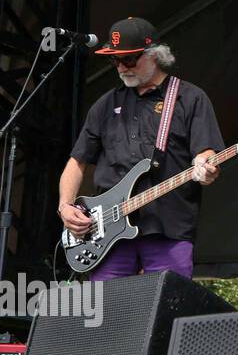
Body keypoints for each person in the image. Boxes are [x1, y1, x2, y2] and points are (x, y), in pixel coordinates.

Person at [58, 17, 224, 279]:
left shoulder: (190, 98)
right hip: (107, 231)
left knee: (167, 301)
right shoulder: (105, 105)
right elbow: (76, 162)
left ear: (155, 55)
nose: (121, 67)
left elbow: (206, 151)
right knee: (105, 304)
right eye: (115, 61)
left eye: (129, 59)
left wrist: (205, 166)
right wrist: (65, 206)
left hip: (168, 227)